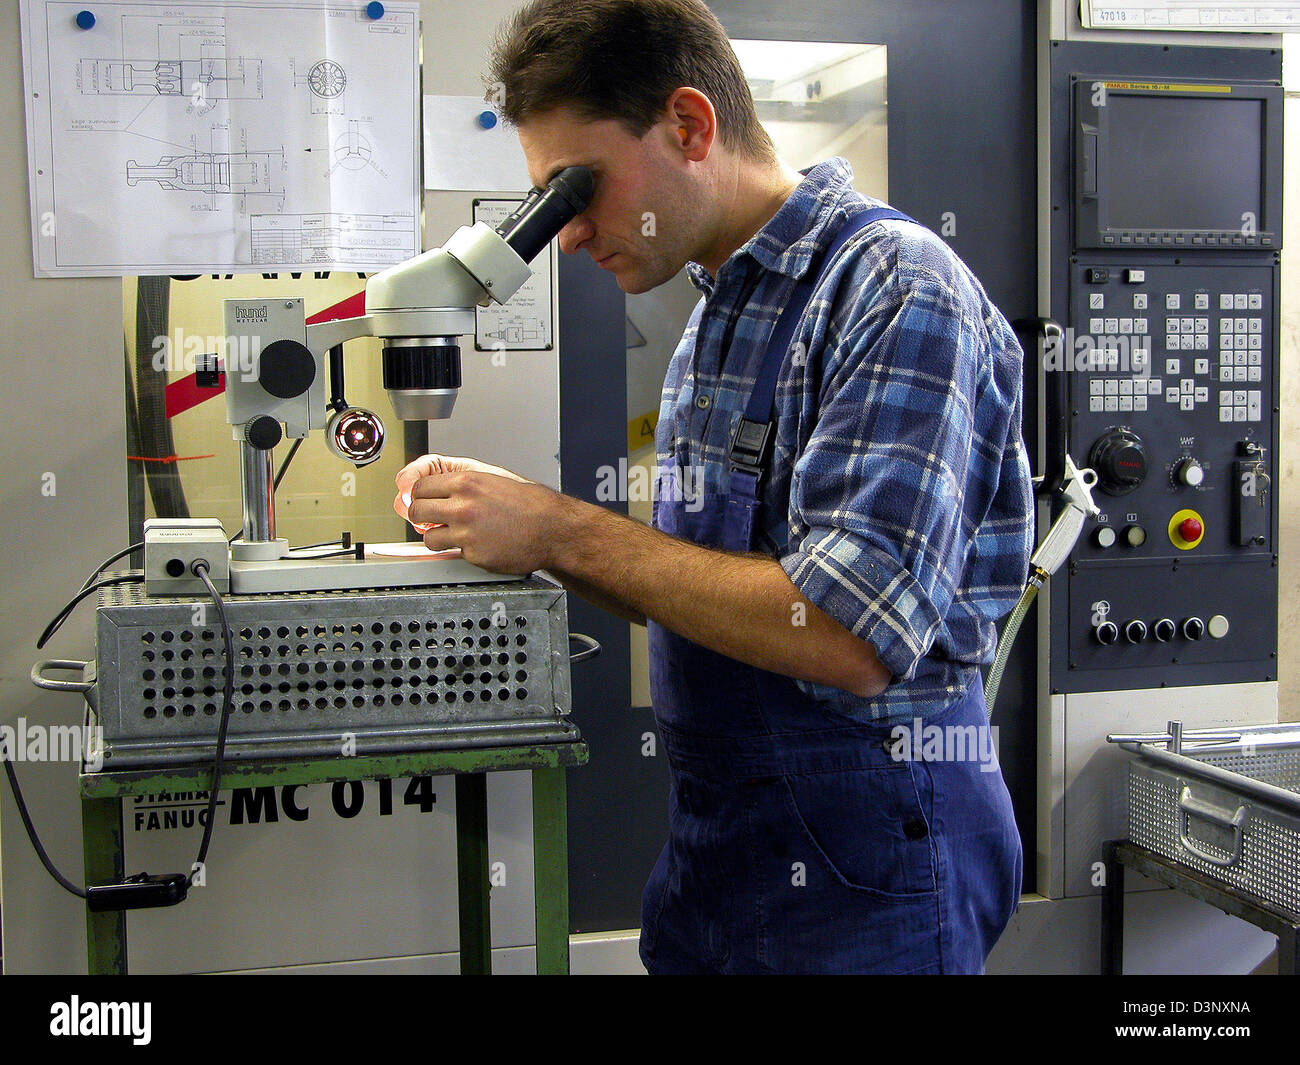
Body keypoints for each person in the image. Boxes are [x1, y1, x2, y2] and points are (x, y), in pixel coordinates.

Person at [396, 0, 1033, 974]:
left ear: (688, 127)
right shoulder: (718, 314)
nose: (565, 238)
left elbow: (849, 633)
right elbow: (692, 585)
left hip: (867, 863)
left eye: (578, 189)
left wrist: (563, 532)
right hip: (720, 853)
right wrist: (515, 530)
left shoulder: (896, 291)